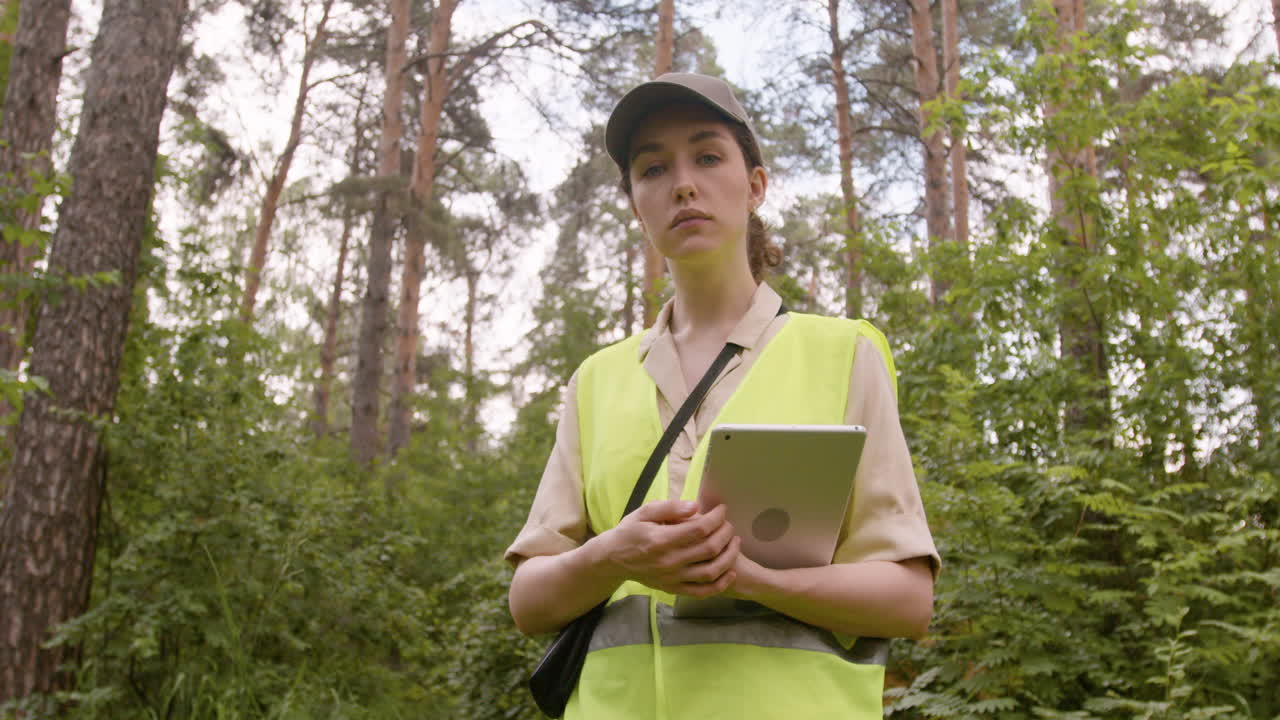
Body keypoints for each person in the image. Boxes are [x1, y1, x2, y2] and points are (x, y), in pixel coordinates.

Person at [506, 72, 939, 719]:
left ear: (756, 185)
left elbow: (907, 599)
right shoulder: (594, 381)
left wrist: (748, 579)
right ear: (635, 204)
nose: (683, 182)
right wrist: (611, 555)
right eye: (653, 168)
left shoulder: (844, 355)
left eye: (707, 156)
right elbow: (528, 601)